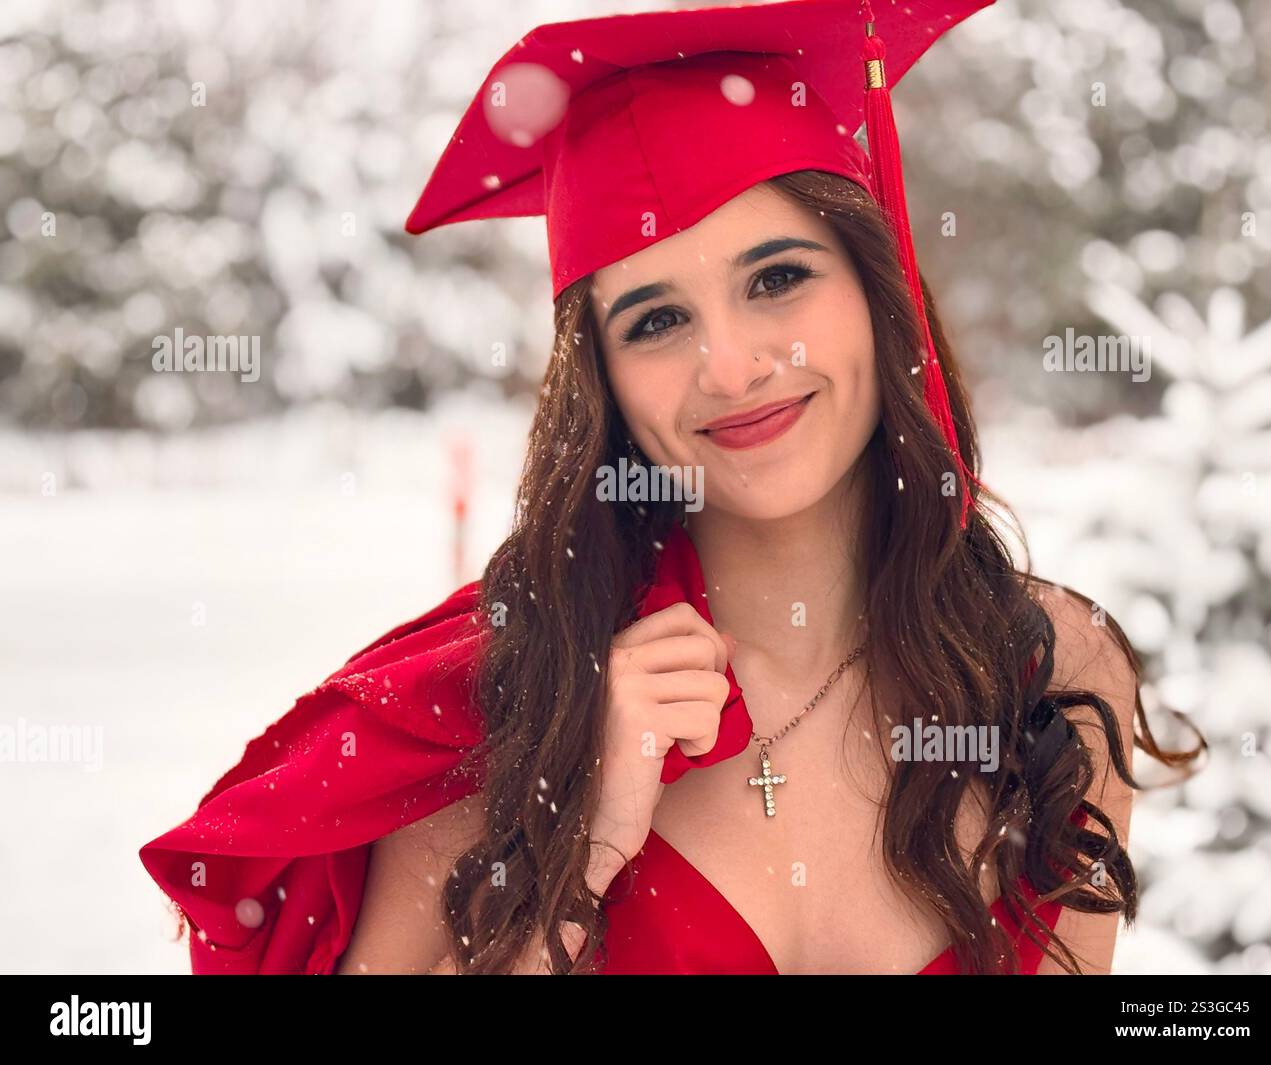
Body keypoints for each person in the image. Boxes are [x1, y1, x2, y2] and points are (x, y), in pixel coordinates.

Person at [139, 0, 1202, 975]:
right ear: (599, 379)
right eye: (656, 320)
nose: (729, 367)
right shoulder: (502, 718)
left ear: (879, 298)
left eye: (777, 278)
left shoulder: (1048, 675)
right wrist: (581, 842)